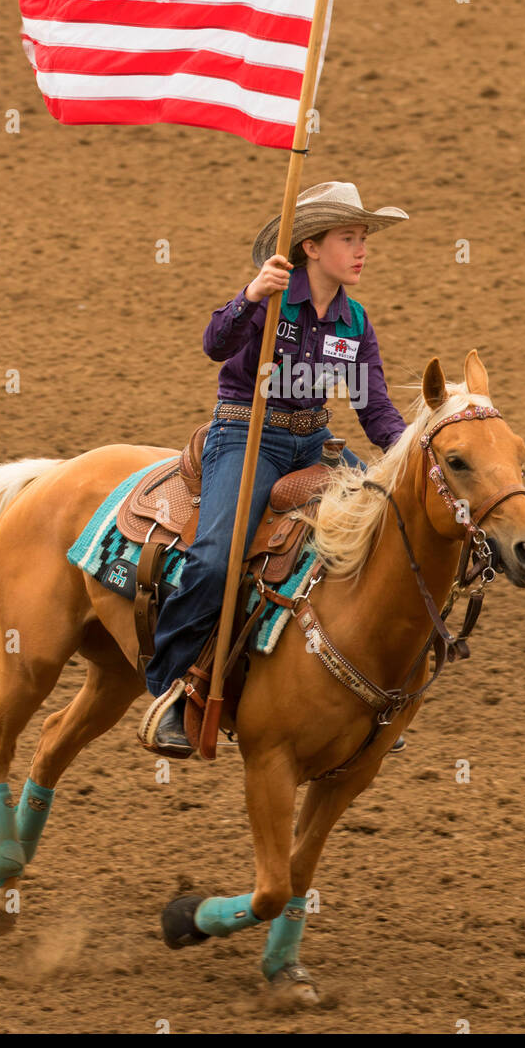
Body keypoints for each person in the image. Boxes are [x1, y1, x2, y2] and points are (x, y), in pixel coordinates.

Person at [146, 180, 410, 754]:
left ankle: (362, 690)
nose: (363, 249)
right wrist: (248, 296)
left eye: (364, 238)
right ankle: (170, 688)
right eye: (349, 237)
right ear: (312, 246)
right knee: (216, 556)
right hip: (246, 436)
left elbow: (376, 408)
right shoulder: (269, 299)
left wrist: (410, 453)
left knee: (387, 530)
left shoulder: (354, 321)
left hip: (315, 444)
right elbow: (214, 344)